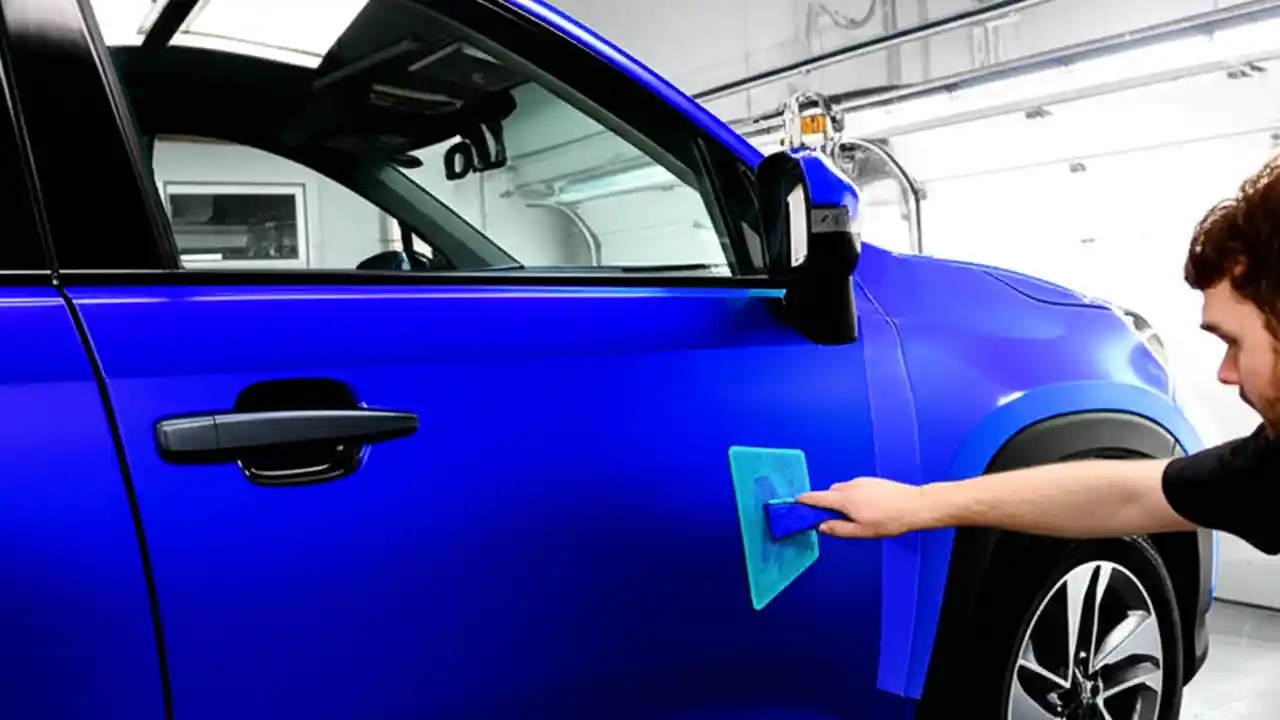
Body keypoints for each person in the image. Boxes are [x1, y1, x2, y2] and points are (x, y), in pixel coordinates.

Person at [798, 155, 1280, 556]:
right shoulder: (1268, 466)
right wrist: (919, 506)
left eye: (1233, 342)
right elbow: (1127, 496)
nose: (1225, 373)